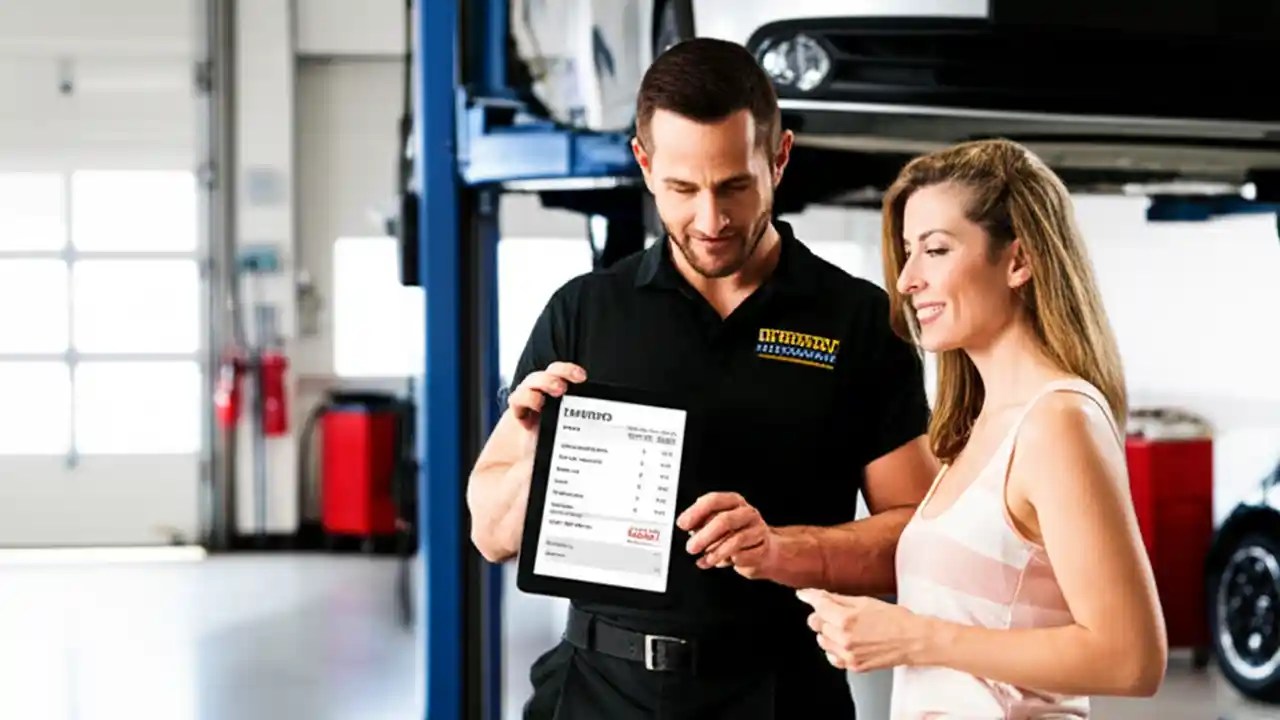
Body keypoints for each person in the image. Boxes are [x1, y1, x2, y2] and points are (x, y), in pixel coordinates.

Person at [466, 37, 939, 719]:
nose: (712, 220)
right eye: (684, 189)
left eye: (735, 186)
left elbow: (914, 544)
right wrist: (535, 452)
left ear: (779, 157)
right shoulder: (585, 311)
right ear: (645, 164)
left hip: (780, 690)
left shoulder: (858, 319)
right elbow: (491, 534)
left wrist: (781, 550)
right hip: (598, 691)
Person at [797, 138, 1169, 717]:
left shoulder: (1058, 422)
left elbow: (1131, 658)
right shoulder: (975, 431)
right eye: (907, 252)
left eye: (936, 250)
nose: (907, 280)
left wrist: (912, 636)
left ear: (1018, 260)